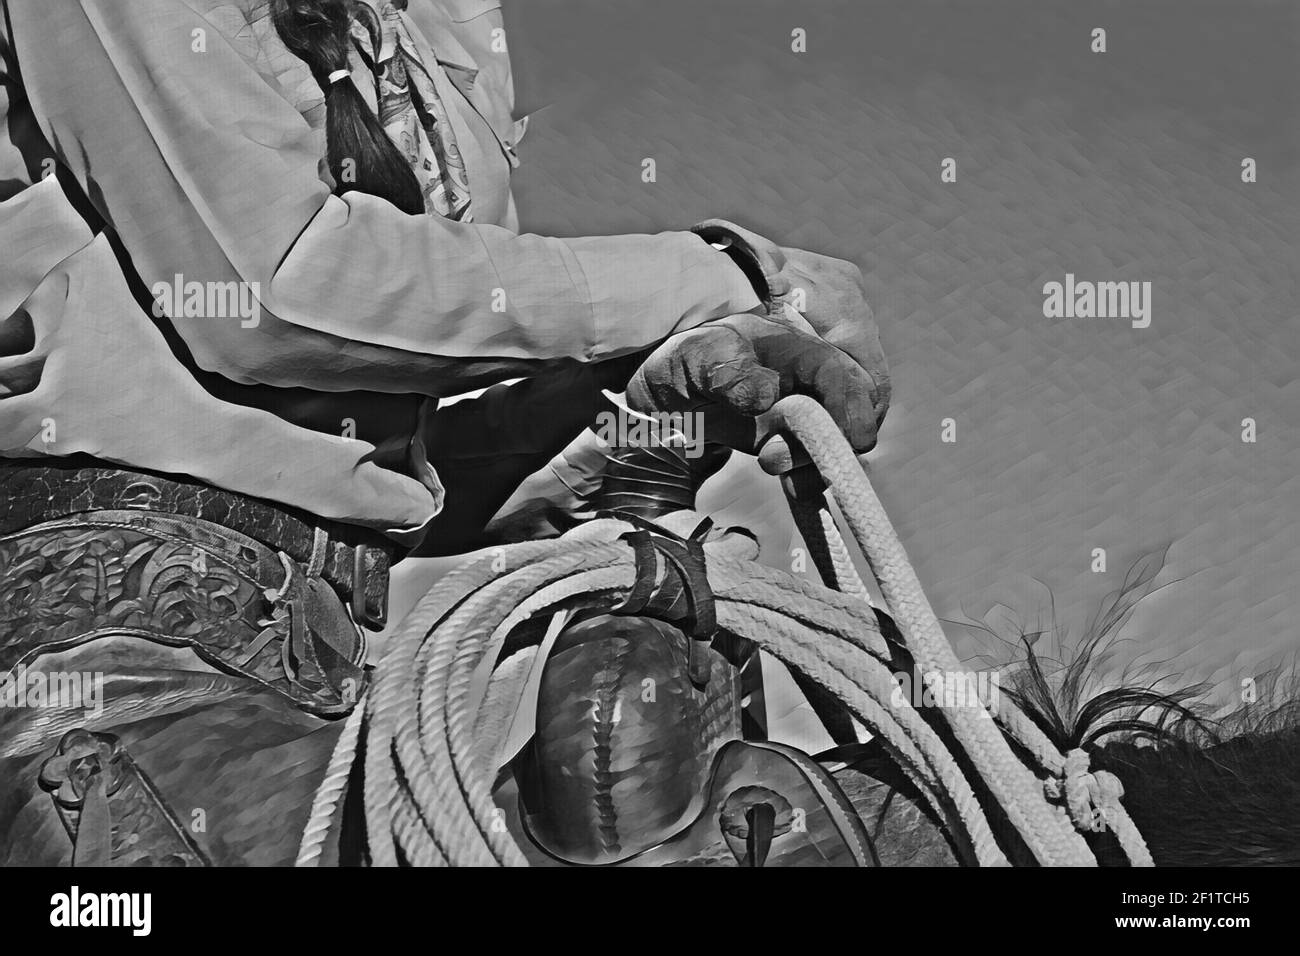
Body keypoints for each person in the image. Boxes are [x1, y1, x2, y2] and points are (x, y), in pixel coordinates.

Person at [0, 0, 888, 865]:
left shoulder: (440, 27)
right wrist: (723, 277)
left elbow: (386, 436)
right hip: (94, 659)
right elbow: (276, 289)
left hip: (323, 662)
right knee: (613, 769)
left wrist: (643, 413)